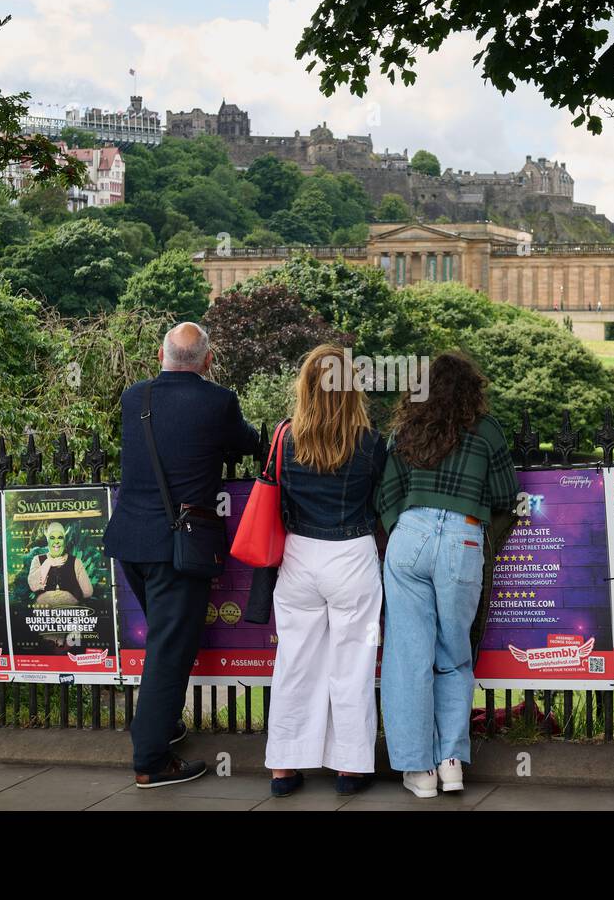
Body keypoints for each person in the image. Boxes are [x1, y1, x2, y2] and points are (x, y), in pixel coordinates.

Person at [103, 322, 259, 790]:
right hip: (179, 547)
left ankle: (163, 725)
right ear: (207, 361)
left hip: (131, 543)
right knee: (170, 653)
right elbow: (250, 444)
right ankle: (151, 761)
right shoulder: (217, 401)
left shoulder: (135, 399)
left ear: (159, 354)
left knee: (163, 641)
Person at [377, 352, 520, 799]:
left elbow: (388, 494)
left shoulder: (406, 431)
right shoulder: (488, 431)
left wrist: (409, 524)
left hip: (410, 533)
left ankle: (419, 771)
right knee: (454, 653)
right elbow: (506, 496)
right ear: (471, 389)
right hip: (464, 537)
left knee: (408, 656)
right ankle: (452, 763)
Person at [265, 344, 385, 798]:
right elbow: (378, 504)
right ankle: (350, 768)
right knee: (352, 663)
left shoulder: (285, 437)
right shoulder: (371, 443)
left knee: (295, 661)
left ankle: (284, 767)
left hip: (299, 556)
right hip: (352, 555)